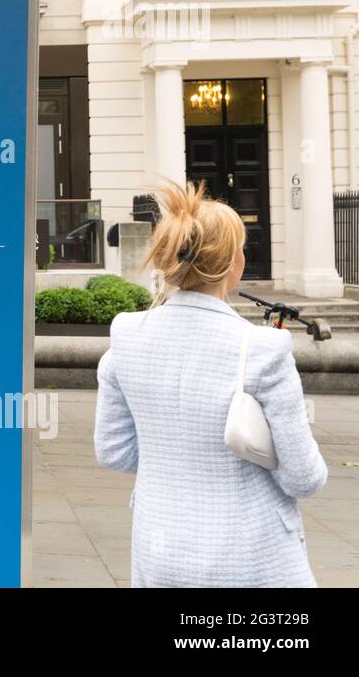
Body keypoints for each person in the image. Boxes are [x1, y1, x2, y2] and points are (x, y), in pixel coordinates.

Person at [94, 179, 329, 587]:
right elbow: (302, 478)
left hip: (159, 550)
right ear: (233, 264)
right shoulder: (262, 348)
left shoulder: (127, 336)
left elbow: (113, 452)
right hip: (250, 557)